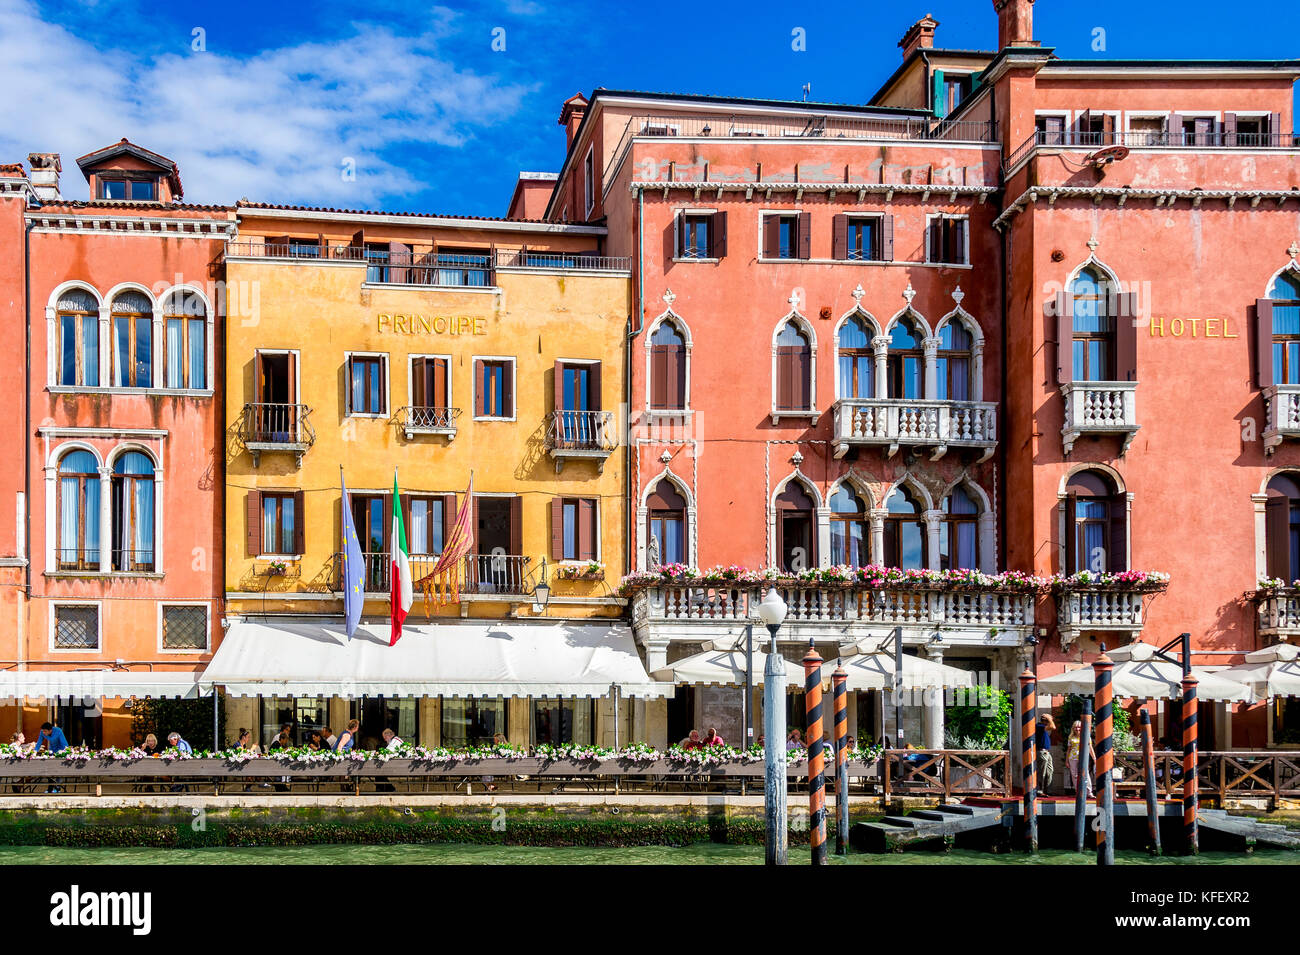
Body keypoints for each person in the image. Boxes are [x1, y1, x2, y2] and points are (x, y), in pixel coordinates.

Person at [1066, 720, 1096, 797]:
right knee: (1074, 775)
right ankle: (1078, 791)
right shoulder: (1071, 737)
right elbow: (1069, 749)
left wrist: (1094, 758)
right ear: (1073, 728)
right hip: (1073, 757)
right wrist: (1067, 761)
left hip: (1083, 757)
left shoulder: (1086, 736)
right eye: (1076, 727)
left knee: (1085, 774)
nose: (1077, 729)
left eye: (1079, 727)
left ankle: (1089, 792)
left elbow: (1090, 748)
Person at [1037, 714, 1056, 794]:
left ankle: (1048, 790)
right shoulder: (1039, 726)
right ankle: (1040, 790)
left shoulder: (1042, 728)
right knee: (1042, 772)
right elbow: (1053, 727)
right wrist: (1049, 719)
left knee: (1050, 771)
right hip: (1042, 752)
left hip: (1047, 752)